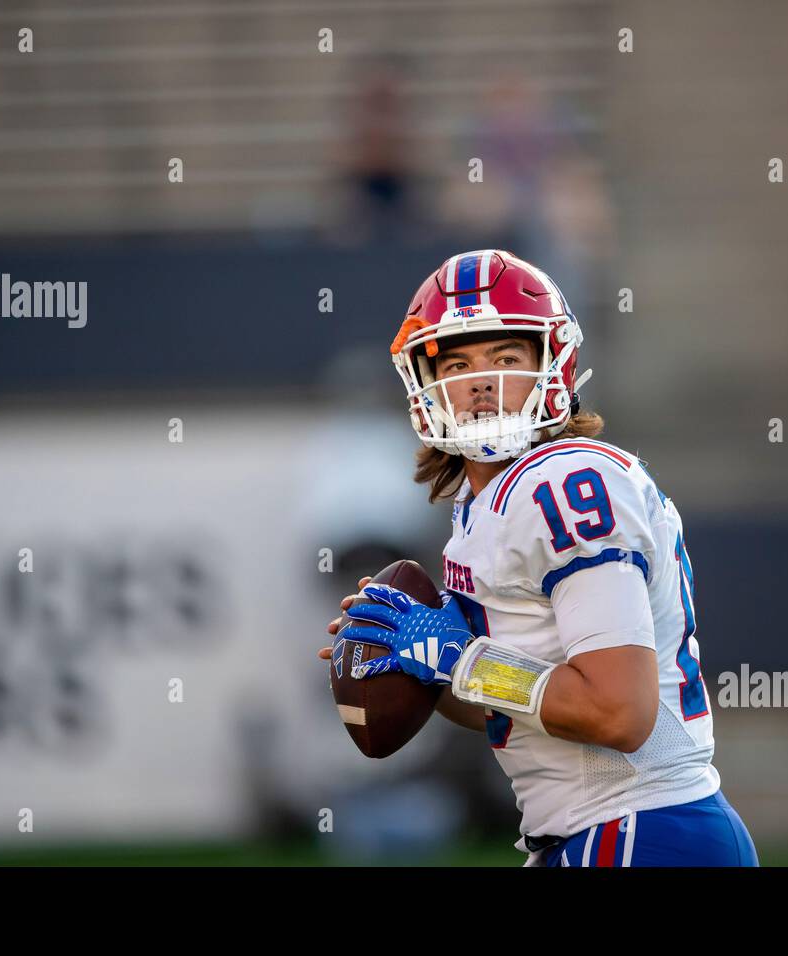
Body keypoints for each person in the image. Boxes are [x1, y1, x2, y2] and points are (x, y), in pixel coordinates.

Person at [317, 249, 758, 867]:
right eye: (459, 363)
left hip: (641, 828)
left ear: (554, 365)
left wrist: (459, 656)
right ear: (424, 381)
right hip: (595, 831)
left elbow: (617, 712)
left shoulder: (565, 479)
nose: (479, 382)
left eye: (505, 358)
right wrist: (416, 661)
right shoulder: (484, 506)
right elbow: (520, 706)